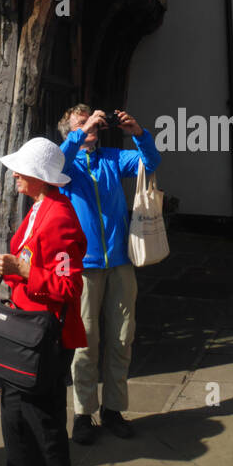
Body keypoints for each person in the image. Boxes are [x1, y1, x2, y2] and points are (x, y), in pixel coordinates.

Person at [0, 137, 85, 466]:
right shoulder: (40, 208)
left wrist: (21, 269)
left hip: (43, 337)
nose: (13, 175)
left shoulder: (59, 215)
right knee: (13, 418)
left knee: (44, 430)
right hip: (24, 333)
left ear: (39, 178)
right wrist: (10, 267)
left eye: (20, 170)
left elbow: (68, 287)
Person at [58, 104, 161, 444]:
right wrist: (81, 130)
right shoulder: (66, 165)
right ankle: (83, 414)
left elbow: (151, 163)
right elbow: (55, 162)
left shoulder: (113, 158)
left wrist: (138, 133)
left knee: (122, 338)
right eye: (81, 125)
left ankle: (114, 409)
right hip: (85, 267)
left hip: (119, 262)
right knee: (85, 343)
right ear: (70, 131)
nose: (91, 130)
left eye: (93, 125)